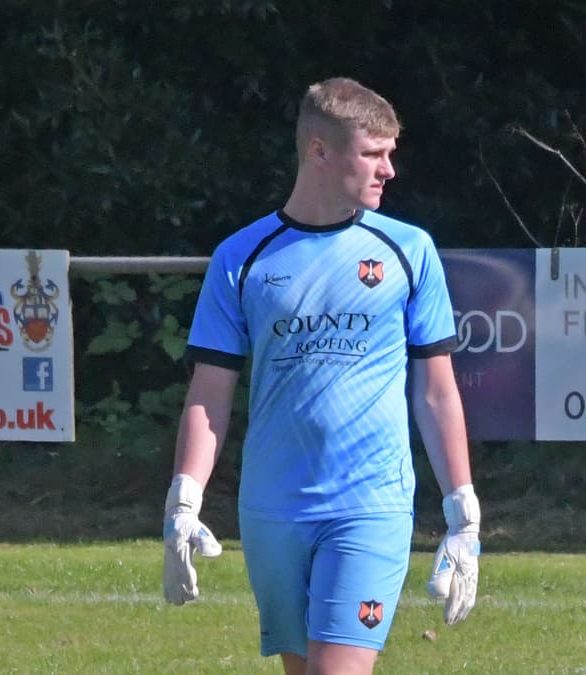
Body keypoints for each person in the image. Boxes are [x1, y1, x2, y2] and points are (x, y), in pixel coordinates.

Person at [161, 77, 481, 675]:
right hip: (272, 508)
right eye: (373, 154)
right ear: (319, 151)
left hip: (371, 504)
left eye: (391, 154)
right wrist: (184, 500)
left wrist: (463, 510)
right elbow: (210, 393)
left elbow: (437, 391)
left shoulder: (408, 250)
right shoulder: (242, 256)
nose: (389, 170)